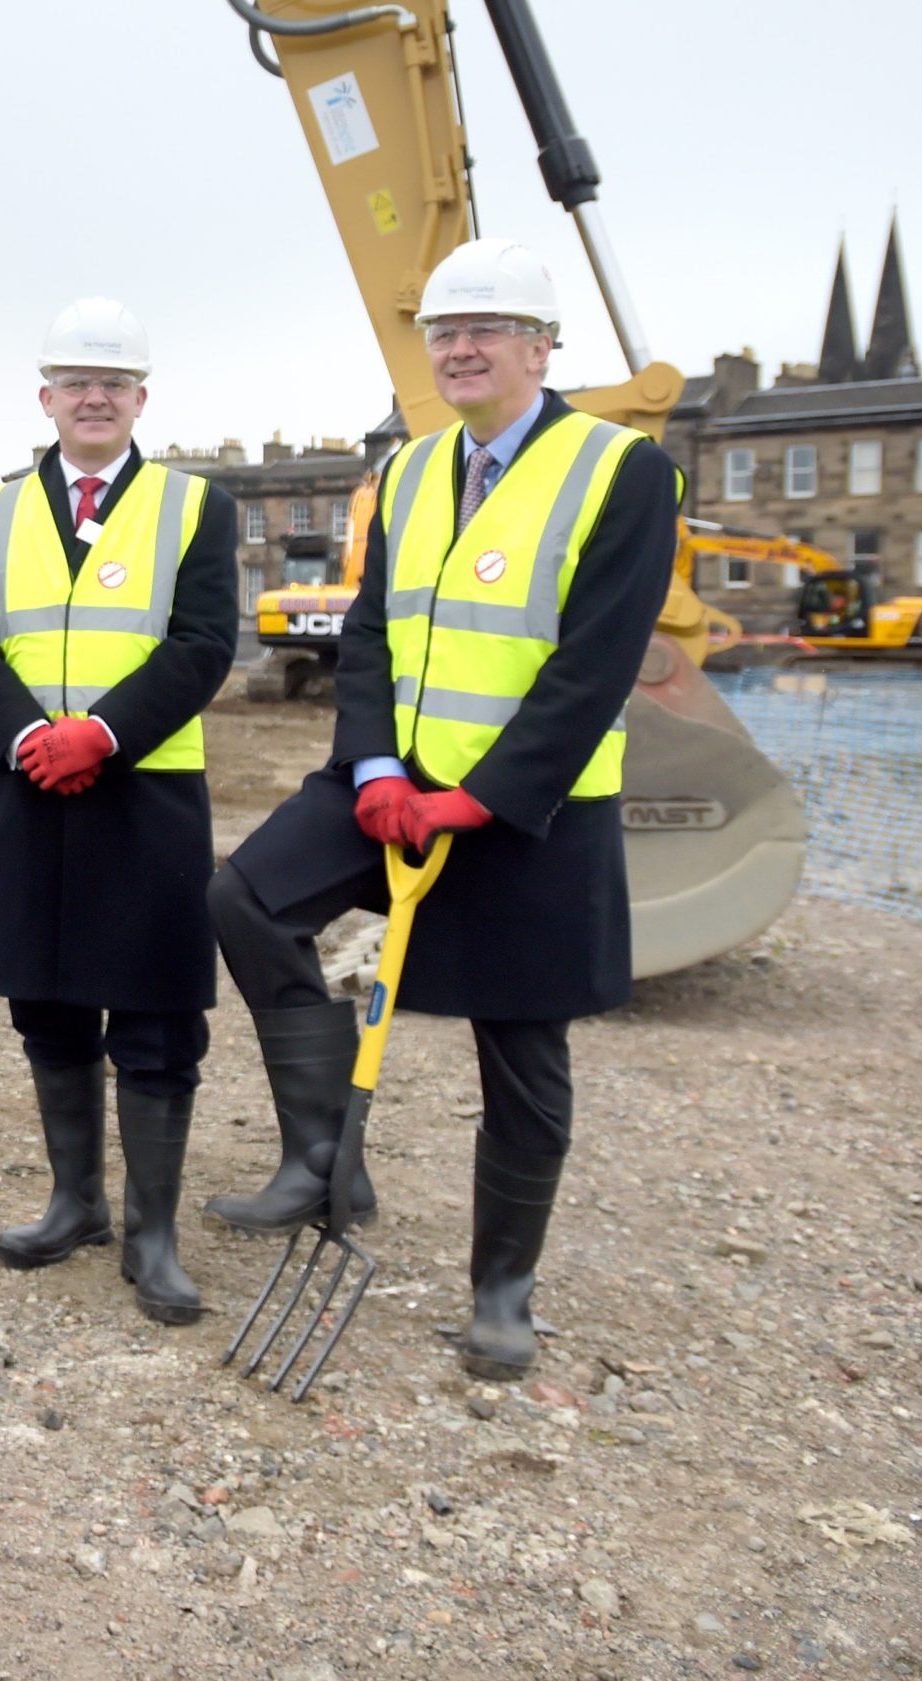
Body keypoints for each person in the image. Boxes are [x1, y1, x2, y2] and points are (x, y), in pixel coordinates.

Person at [201, 238, 678, 1379]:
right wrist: (371, 770)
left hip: (531, 810)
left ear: (540, 345)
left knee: (519, 1043)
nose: (459, 348)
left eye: (486, 329)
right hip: (393, 785)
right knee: (245, 899)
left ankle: (502, 1288)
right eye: (444, 333)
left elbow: (593, 665)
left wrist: (482, 798)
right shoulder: (412, 471)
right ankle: (324, 1160)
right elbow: (369, 633)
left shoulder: (620, 470)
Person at [0, 299, 237, 1325]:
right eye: (76, 381)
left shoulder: (196, 507)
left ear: (140, 397)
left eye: (112, 383)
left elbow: (202, 643)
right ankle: (76, 1201)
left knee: (155, 1014)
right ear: (47, 396)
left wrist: (103, 734)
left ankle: (152, 1236)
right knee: (48, 1002)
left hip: (144, 792)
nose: (94, 396)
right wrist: (30, 737)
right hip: (26, 790)